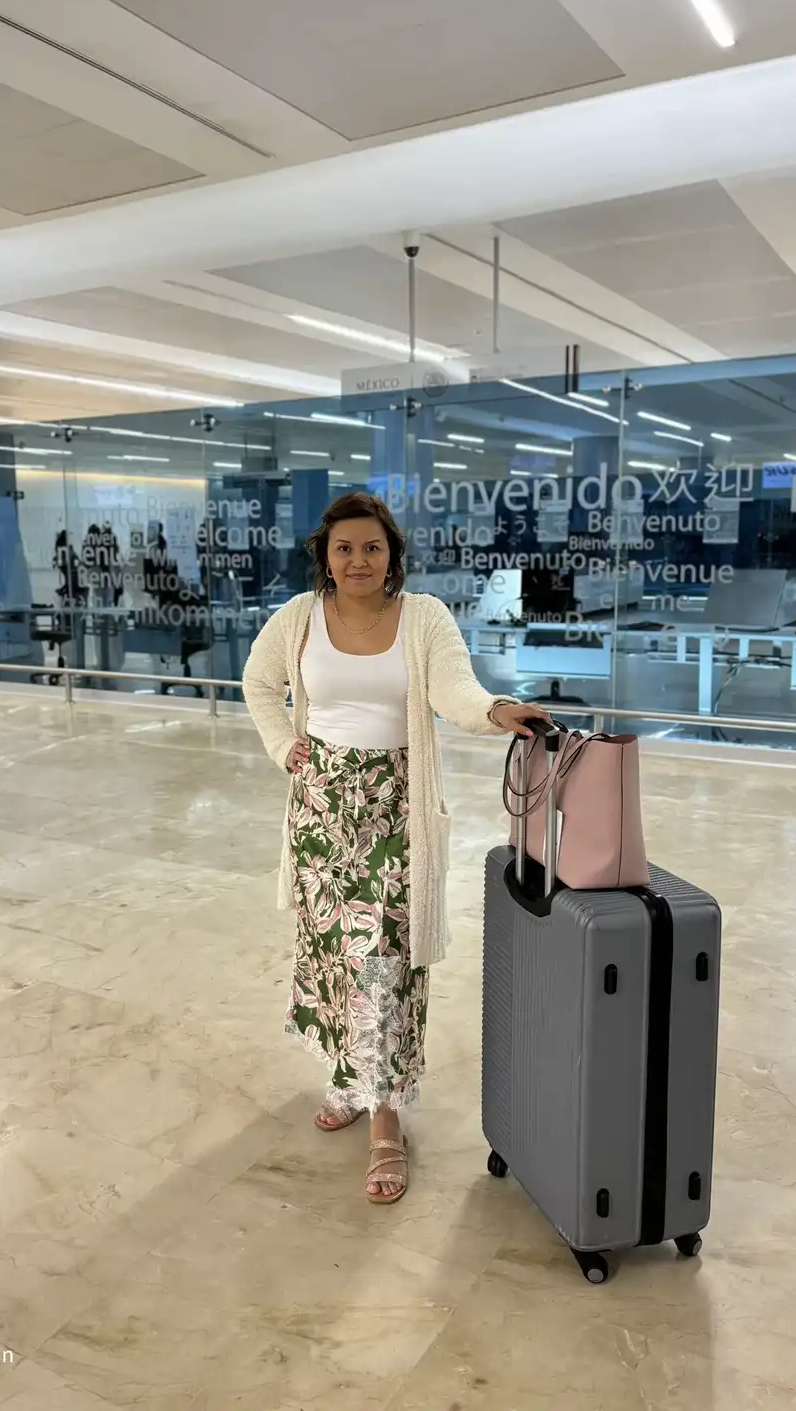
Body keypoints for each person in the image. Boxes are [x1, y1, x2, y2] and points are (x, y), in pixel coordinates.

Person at [242, 492, 550, 1205]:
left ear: (392, 556)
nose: (358, 560)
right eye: (344, 548)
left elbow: (455, 689)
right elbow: (260, 685)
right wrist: (286, 744)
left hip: (394, 811)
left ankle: (385, 1115)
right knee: (328, 953)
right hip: (321, 807)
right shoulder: (297, 617)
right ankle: (347, 1079)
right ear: (325, 554)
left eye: (372, 548)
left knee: (381, 956)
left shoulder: (423, 618)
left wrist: (498, 712)